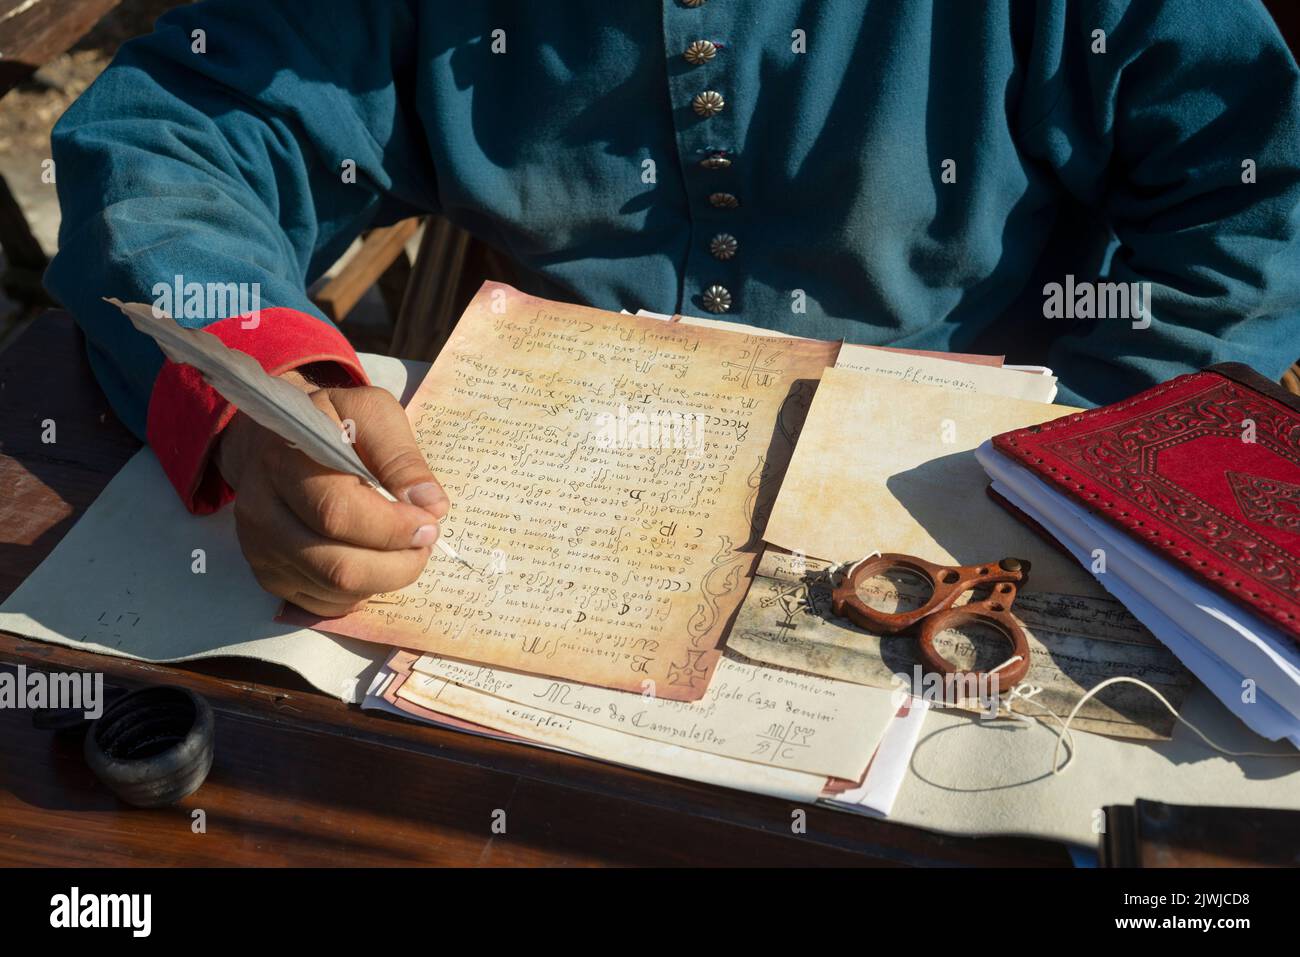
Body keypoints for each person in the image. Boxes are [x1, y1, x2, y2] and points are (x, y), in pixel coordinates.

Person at [45, 1, 1300, 614]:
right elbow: (192, 129)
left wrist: (1090, 448)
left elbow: (1256, 199)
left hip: (967, 528)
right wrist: (276, 397)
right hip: (533, 516)